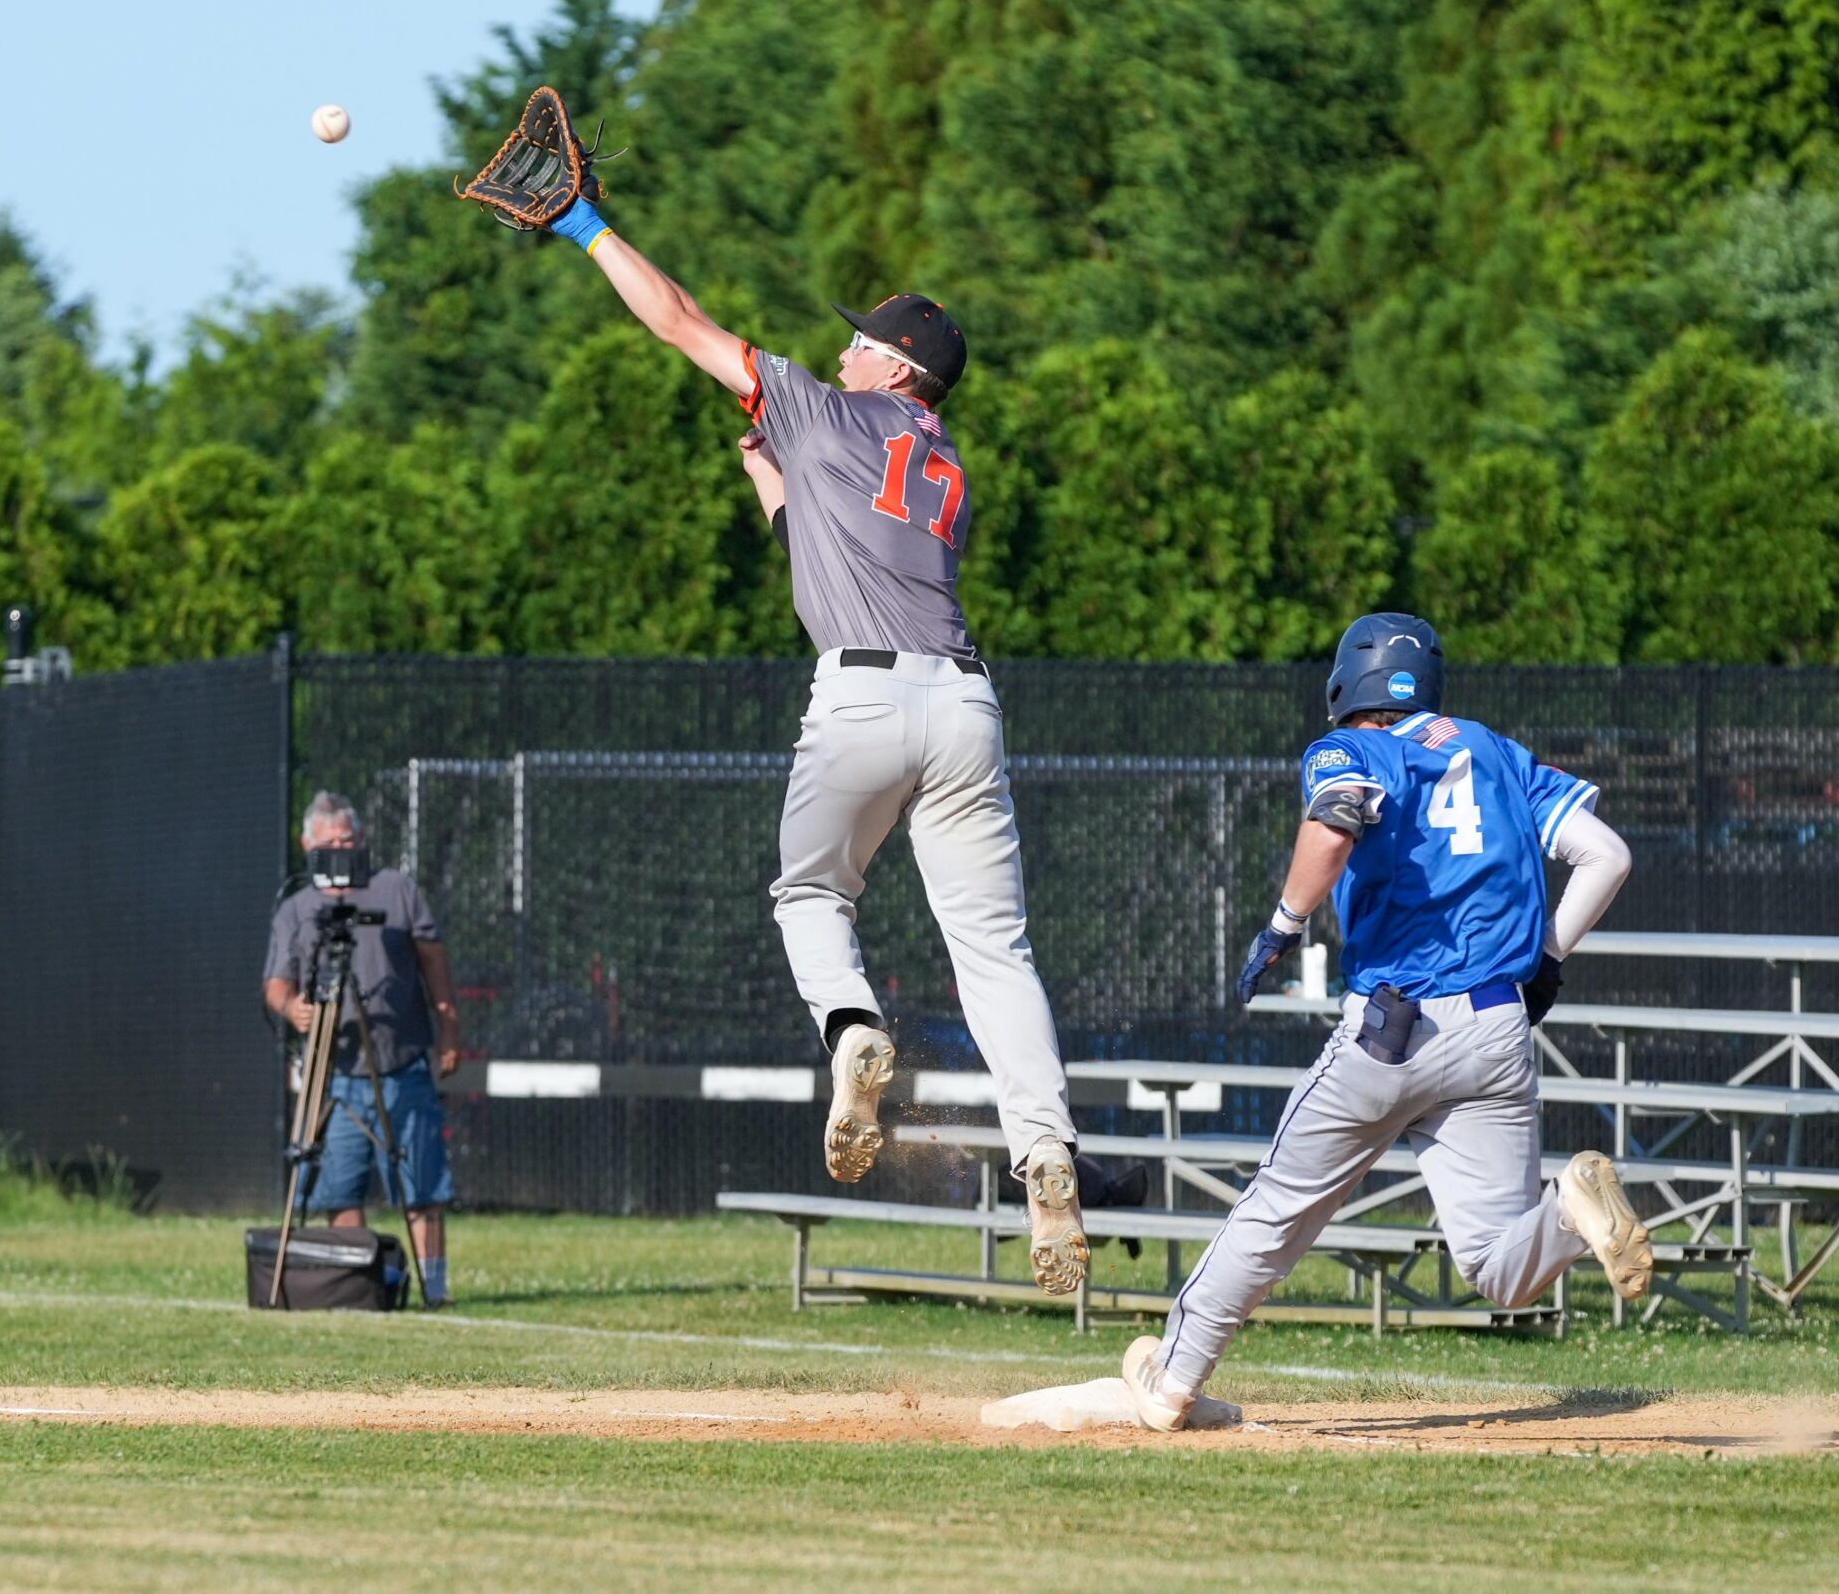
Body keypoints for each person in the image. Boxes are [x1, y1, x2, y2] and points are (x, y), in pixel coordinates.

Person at [535, 182, 1087, 1293]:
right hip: (965, 704)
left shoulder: (823, 410)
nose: (840, 350)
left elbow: (680, 319)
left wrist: (581, 224)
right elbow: (830, 554)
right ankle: (1048, 1156)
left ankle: (850, 1031)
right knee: (994, 951)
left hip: (863, 701)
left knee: (810, 898)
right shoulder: (948, 472)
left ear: (896, 367)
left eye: (859, 340)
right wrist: (767, 479)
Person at [1121, 614, 1652, 1428]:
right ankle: (1571, 1210)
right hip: (1497, 1029)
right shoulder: (1497, 752)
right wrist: (1546, 958)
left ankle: (1172, 1377)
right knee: (1499, 1264)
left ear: (1348, 684)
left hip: (1394, 1028)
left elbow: (1334, 824)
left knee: (1277, 1205)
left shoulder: (1355, 749)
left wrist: (1282, 925)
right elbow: (1606, 853)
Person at [262, 792, 463, 1307]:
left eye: (347, 841)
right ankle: (358, 1288)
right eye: (328, 844)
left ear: (362, 840)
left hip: (400, 1063)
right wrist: (294, 1010)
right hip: (336, 1071)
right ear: (307, 846)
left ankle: (433, 1291)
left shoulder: (394, 890)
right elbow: (275, 984)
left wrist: (449, 1029)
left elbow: (433, 959)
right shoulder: (297, 908)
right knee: (338, 1188)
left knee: (422, 1185)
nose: (339, 851)